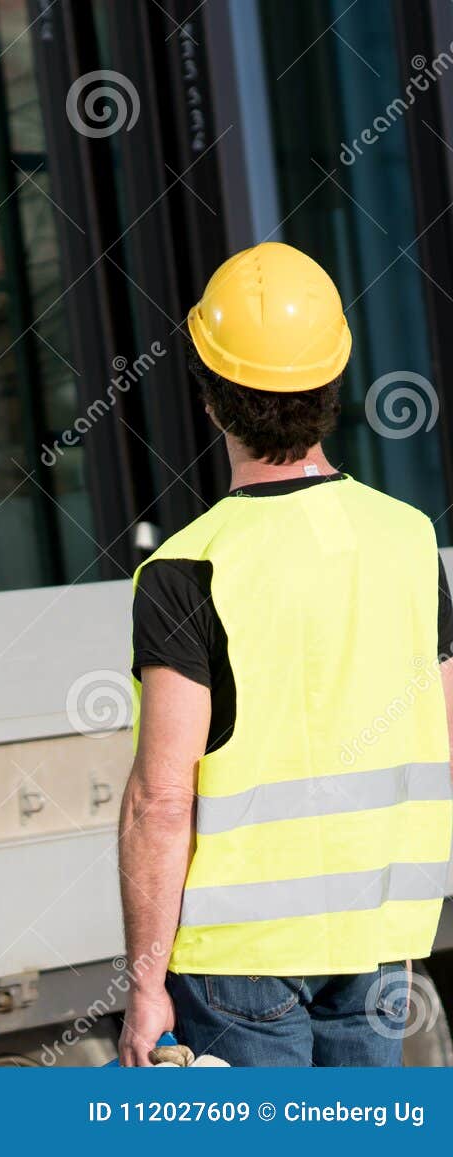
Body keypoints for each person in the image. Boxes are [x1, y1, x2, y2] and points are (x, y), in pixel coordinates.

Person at [117, 241, 453, 1066]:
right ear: (333, 386)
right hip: (376, 937)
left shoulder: (186, 568)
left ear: (212, 400)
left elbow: (162, 801)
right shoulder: (410, 541)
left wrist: (144, 981)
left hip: (239, 957)